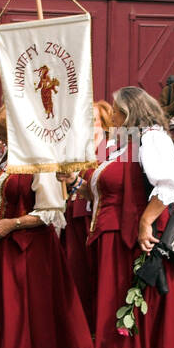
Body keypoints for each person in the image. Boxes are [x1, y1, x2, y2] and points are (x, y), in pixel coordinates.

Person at [88, 86, 174, 348]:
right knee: (123, 312)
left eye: (118, 114)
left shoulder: (151, 138)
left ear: (131, 113)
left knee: (128, 313)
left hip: (138, 241)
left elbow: (167, 185)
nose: (115, 119)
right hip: (119, 240)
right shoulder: (129, 143)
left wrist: (145, 221)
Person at [0, 108, 93, 348]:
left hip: (30, 250)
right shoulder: (10, 157)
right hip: (4, 247)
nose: (1, 140)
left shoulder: (39, 160)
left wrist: (12, 223)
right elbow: (10, 191)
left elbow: (51, 210)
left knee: (25, 314)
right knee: (7, 313)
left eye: (6, 135)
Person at [62, 100, 113, 331]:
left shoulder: (111, 151)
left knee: (96, 274)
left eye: (93, 122)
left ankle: (98, 329)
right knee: (76, 273)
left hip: (96, 219)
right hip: (74, 216)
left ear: (104, 125)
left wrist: (75, 181)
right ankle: (82, 330)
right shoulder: (76, 150)